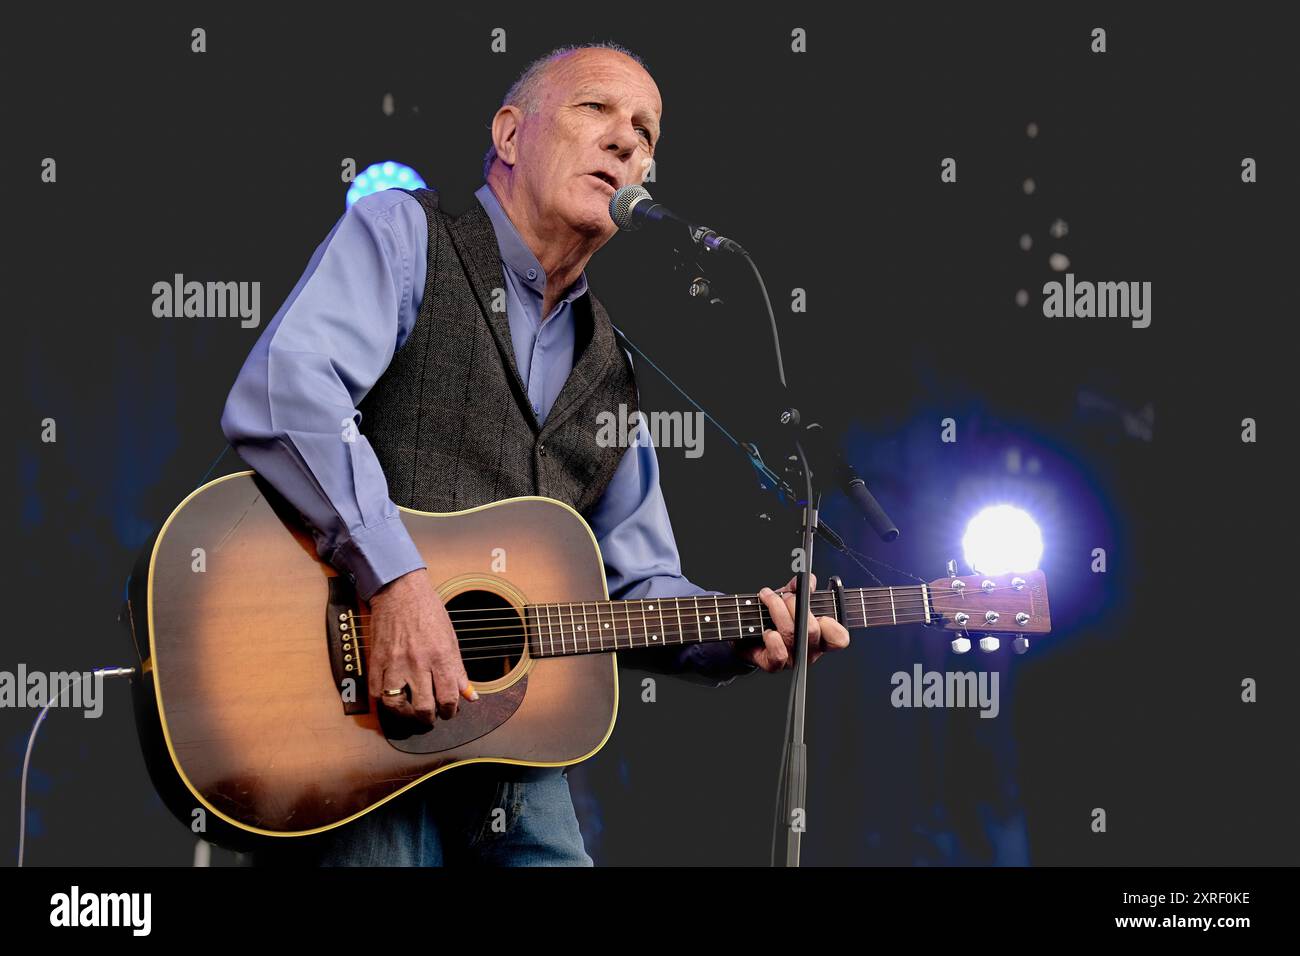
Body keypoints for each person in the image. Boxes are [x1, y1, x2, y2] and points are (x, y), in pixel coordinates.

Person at [220, 41, 850, 866]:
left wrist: (743, 632)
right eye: (598, 109)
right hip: (352, 726)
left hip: (516, 761)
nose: (629, 142)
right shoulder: (406, 234)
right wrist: (398, 582)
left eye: (647, 132)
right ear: (511, 135)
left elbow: (638, 584)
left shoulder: (614, 368)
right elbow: (286, 396)